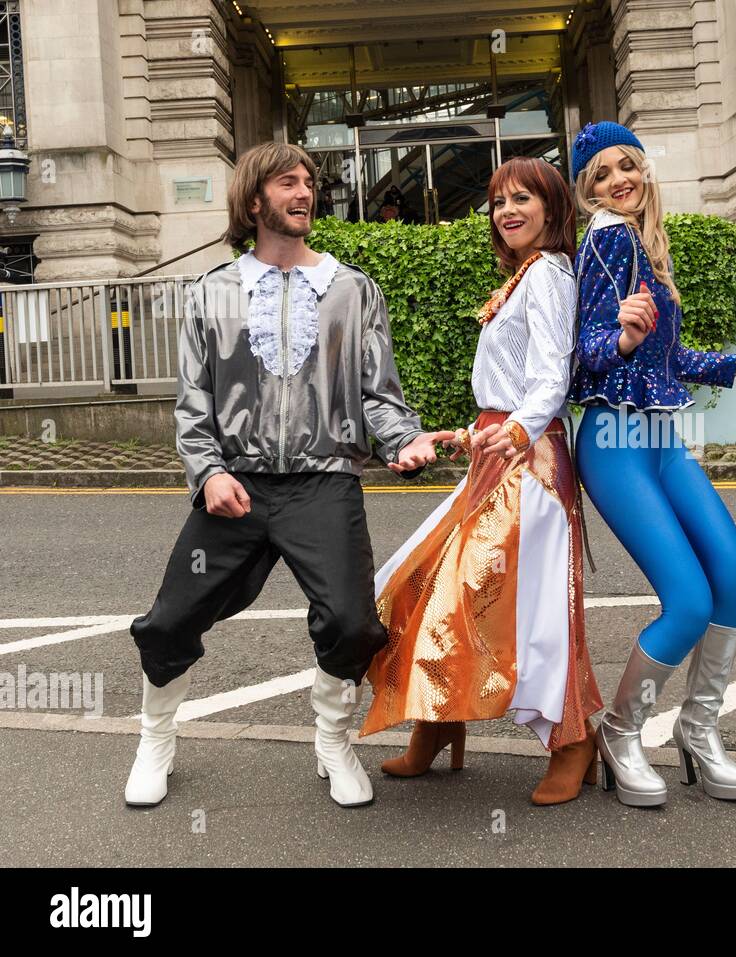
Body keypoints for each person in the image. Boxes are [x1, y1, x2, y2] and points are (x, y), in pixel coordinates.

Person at [127, 142, 442, 809]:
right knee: (169, 619)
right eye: (287, 183)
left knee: (354, 622)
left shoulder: (352, 289)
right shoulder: (213, 290)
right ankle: (155, 736)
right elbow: (193, 401)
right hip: (234, 484)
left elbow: (379, 391)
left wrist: (403, 439)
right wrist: (207, 472)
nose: (304, 193)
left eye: (309, 183)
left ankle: (332, 740)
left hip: (323, 480)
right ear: (254, 200)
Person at [360, 157, 604, 806]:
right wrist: (471, 434)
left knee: (533, 613)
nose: (508, 210)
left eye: (523, 197)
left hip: (530, 466)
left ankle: (574, 739)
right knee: (426, 587)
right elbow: (510, 387)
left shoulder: (550, 273)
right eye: (498, 201)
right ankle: (438, 722)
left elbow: (552, 374)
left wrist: (518, 431)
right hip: (495, 454)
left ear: (553, 208)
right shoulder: (523, 277)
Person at [568, 121, 736, 807]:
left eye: (627, 166)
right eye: (601, 175)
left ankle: (698, 728)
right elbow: (585, 354)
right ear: (587, 192)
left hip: (660, 433)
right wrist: (620, 339)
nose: (618, 180)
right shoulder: (606, 239)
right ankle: (621, 733)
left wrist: (733, 363)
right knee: (688, 599)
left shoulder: (648, 249)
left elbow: (666, 361)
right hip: (614, 440)